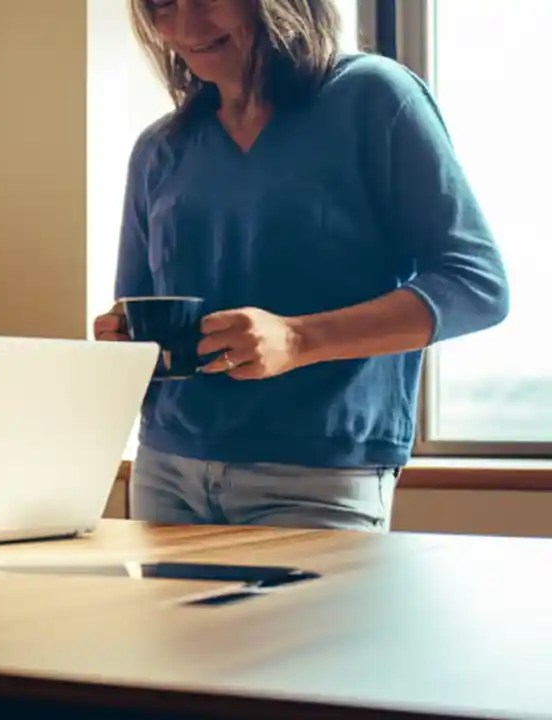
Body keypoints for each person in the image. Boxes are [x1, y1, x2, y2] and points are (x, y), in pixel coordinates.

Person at [93, 0, 508, 531]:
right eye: (164, 6)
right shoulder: (157, 149)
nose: (186, 27)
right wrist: (121, 341)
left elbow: (477, 284)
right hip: (165, 473)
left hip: (319, 475)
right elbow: (135, 320)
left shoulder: (374, 98)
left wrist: (298, 339)